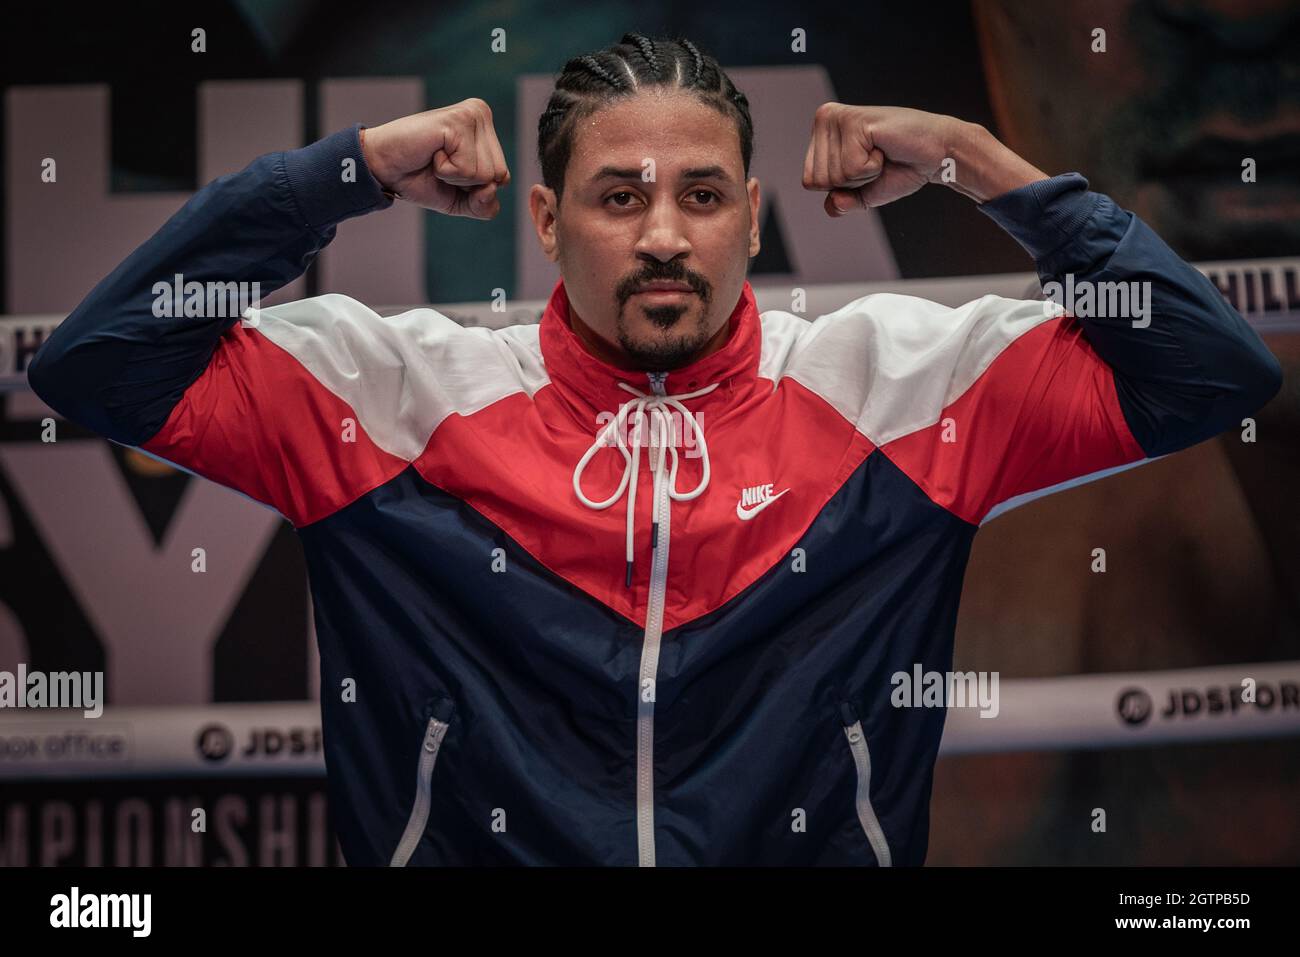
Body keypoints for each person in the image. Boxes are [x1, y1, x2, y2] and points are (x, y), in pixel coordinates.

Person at [26, 33, 1281, 866]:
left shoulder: (902, 382)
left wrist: (982, 164)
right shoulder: (389, 391)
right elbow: (99, 361)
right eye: (618, 197)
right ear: (545, 219)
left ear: (752, 212)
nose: (663, 236)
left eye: (700, 194)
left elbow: (1211, 370)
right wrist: (340, 175)